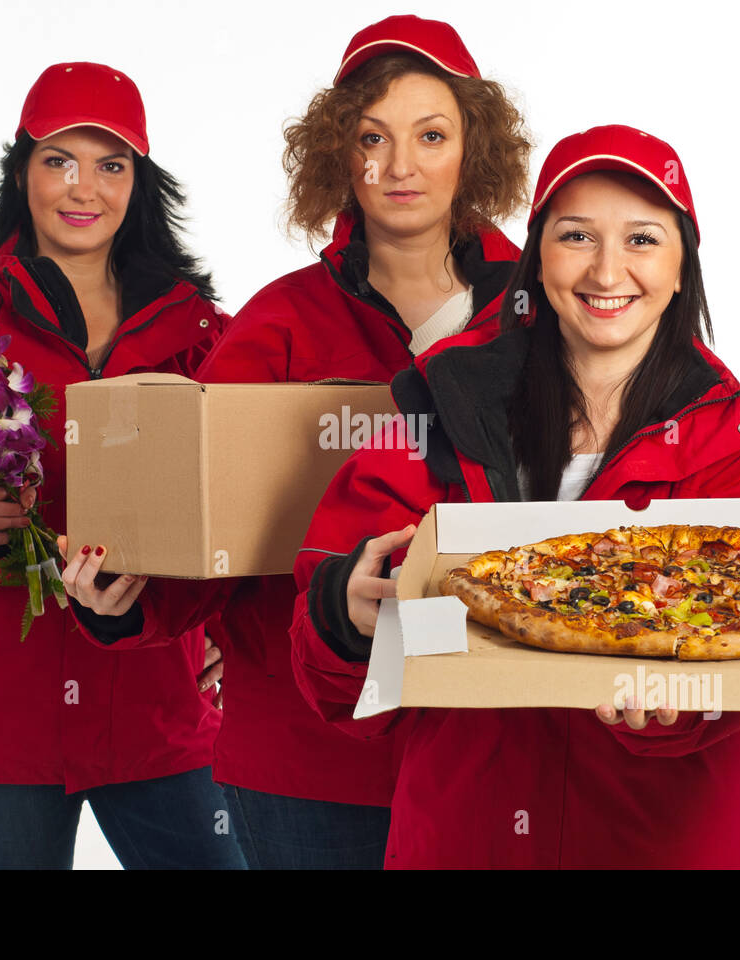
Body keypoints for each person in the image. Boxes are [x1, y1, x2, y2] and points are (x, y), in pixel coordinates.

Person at [288, 124, 740, 868]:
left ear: (681, 264)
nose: (607, 271)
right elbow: (336, 664)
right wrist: (345, 611)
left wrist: (673, 712)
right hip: (465, 839)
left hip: (667, 846)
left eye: (641, 240)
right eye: (576, 237)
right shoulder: (438, 407)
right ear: (537, 258)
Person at [0, 61, 245, 869]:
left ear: (140, 181)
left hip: (153, 704)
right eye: (58, 159)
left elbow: (238, 507)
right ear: (21, 171)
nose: (83, 187)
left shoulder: (202, 331)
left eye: (111, 164)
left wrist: (222, 627)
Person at [189, 15, 531, 868]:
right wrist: (122, 603)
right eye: (372, 138)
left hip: (490, 742)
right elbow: (196, 529)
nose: (400, 166)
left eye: (431, 135)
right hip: (305, 762)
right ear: (339, 153)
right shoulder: (279, 323)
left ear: (474, 148)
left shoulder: (546, 310)